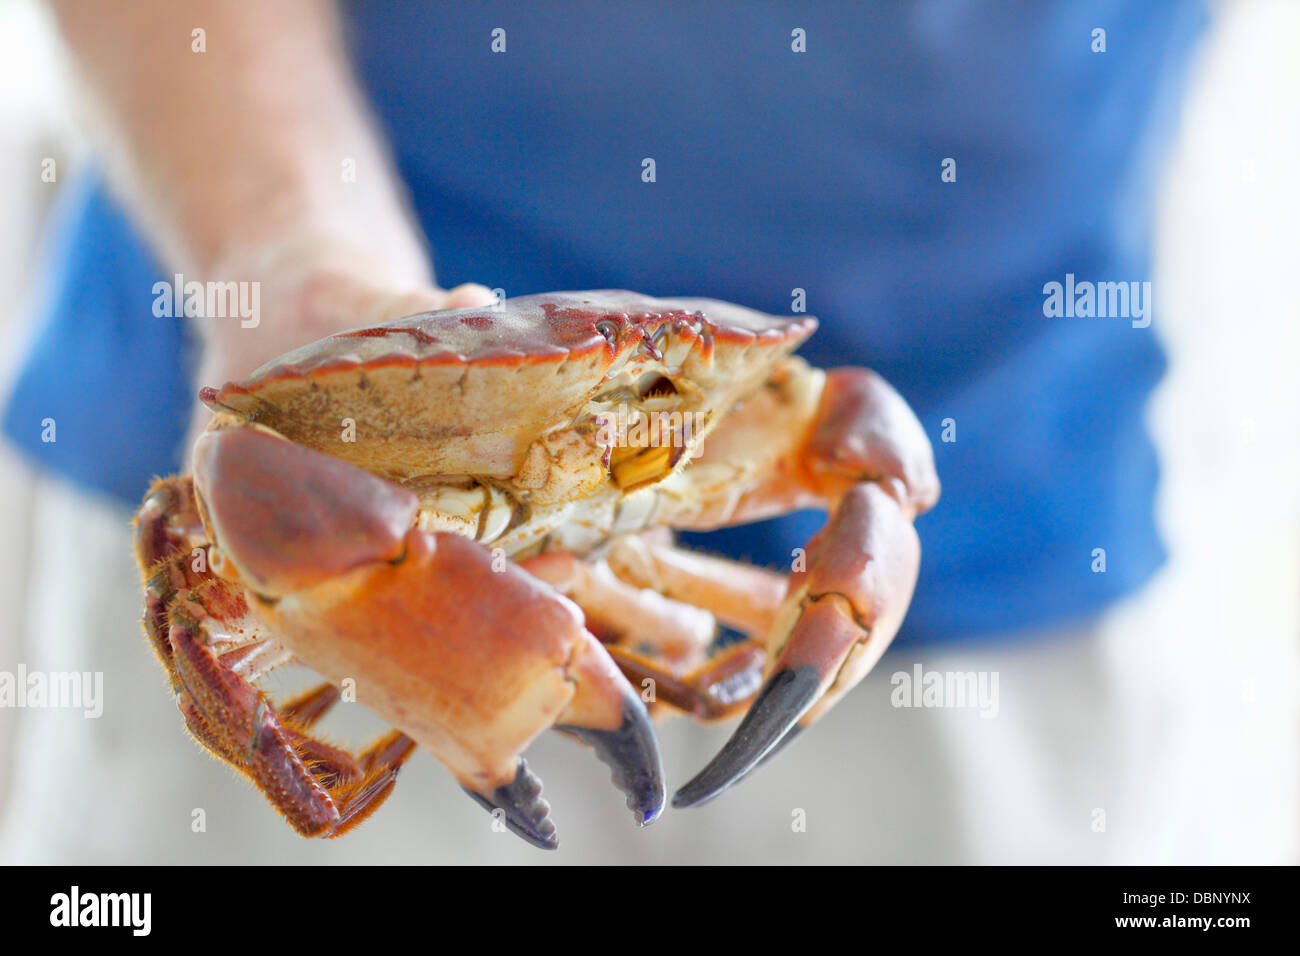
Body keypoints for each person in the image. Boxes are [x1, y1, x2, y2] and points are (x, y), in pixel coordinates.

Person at [2, 0, 1292, 863]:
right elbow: (224, 520)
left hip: (1016, 472)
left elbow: (858, 431)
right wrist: (287, 255)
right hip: (291, 372)